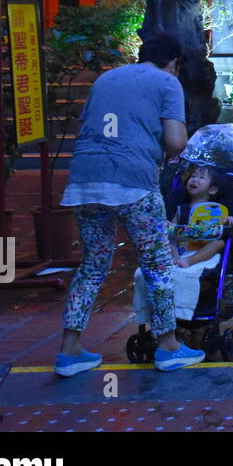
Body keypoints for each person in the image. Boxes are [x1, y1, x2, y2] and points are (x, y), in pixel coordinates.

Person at [55, 35, 207, 375]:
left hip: (84, 179)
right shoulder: (167, 82)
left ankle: (69, 351)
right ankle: (168, 347)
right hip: (133, 182)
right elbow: (176, 141)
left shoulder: (106, 78)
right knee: (156, 265)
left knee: (92, 266)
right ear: (173, 62)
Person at [132, 165, 233, 326]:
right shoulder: (182, 209)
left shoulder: (217, 211)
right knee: (168, 239)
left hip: (204, 251)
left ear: (213, 189)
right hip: (183, 249)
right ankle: (176, 259)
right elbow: (172, 232)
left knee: (219, 243)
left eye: (202, 178)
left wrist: (230, 220)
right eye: (193, 176)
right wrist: (169, 227)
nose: (194, 179)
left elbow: (228, 226)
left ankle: (190, 262)